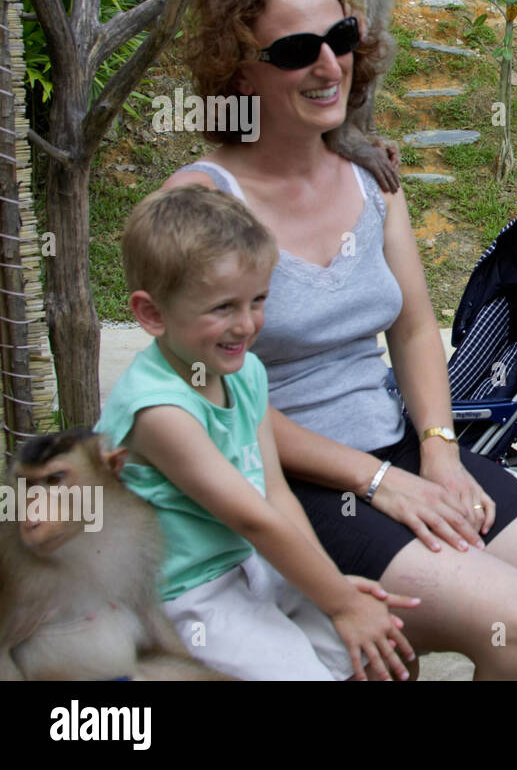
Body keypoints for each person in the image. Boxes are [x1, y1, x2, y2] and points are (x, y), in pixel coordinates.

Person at [162, 0, 517, 680]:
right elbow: (203, 390)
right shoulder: (203, 202)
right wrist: (375, 484)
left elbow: (410, 327)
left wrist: (436, 450)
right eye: (295, 50)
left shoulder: (373, 180)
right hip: (282, 478)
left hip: (395, 444)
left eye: (339, 38)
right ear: (239, 70)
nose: (328, 64)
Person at [96, 186, 417, 680]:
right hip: (186, 594)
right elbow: (254, 519)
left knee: (378, 655)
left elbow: (274, 492)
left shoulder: (244, 374)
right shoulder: (158, 412)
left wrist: (329, 587)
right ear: (152, 314)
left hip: (249, 566)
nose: (246, 325)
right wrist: (339, 601)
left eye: (259, 300)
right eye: (223, 308)